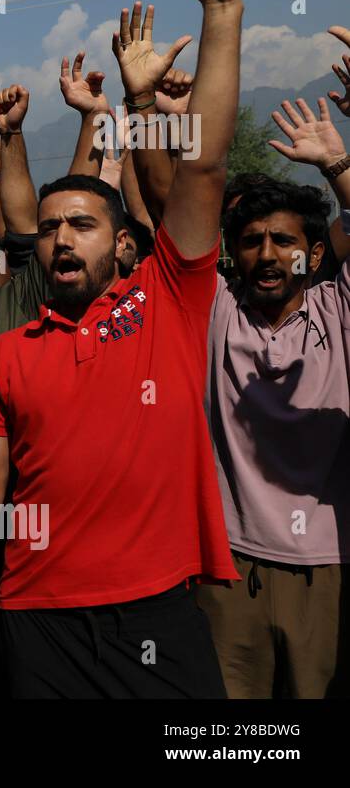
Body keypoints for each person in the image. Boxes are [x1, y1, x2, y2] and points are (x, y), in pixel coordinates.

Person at [0, 0, 251, 698]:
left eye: (84, 224)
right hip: (33, 619)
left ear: (124, 240)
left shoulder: (169, 298)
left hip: (158, 617)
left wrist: (223, 14)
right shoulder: (5, 355)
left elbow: (200, 166)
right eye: (52, 226)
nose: (62, 237)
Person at [194, 99, 350, 698]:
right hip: (230, 567)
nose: (265, 253)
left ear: (313, 255)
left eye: (282, 240)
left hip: (328, 566)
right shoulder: (218, 311)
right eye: (252, 240)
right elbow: (167, 207)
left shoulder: (338, 309)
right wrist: (153, 112)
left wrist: (337, 161)